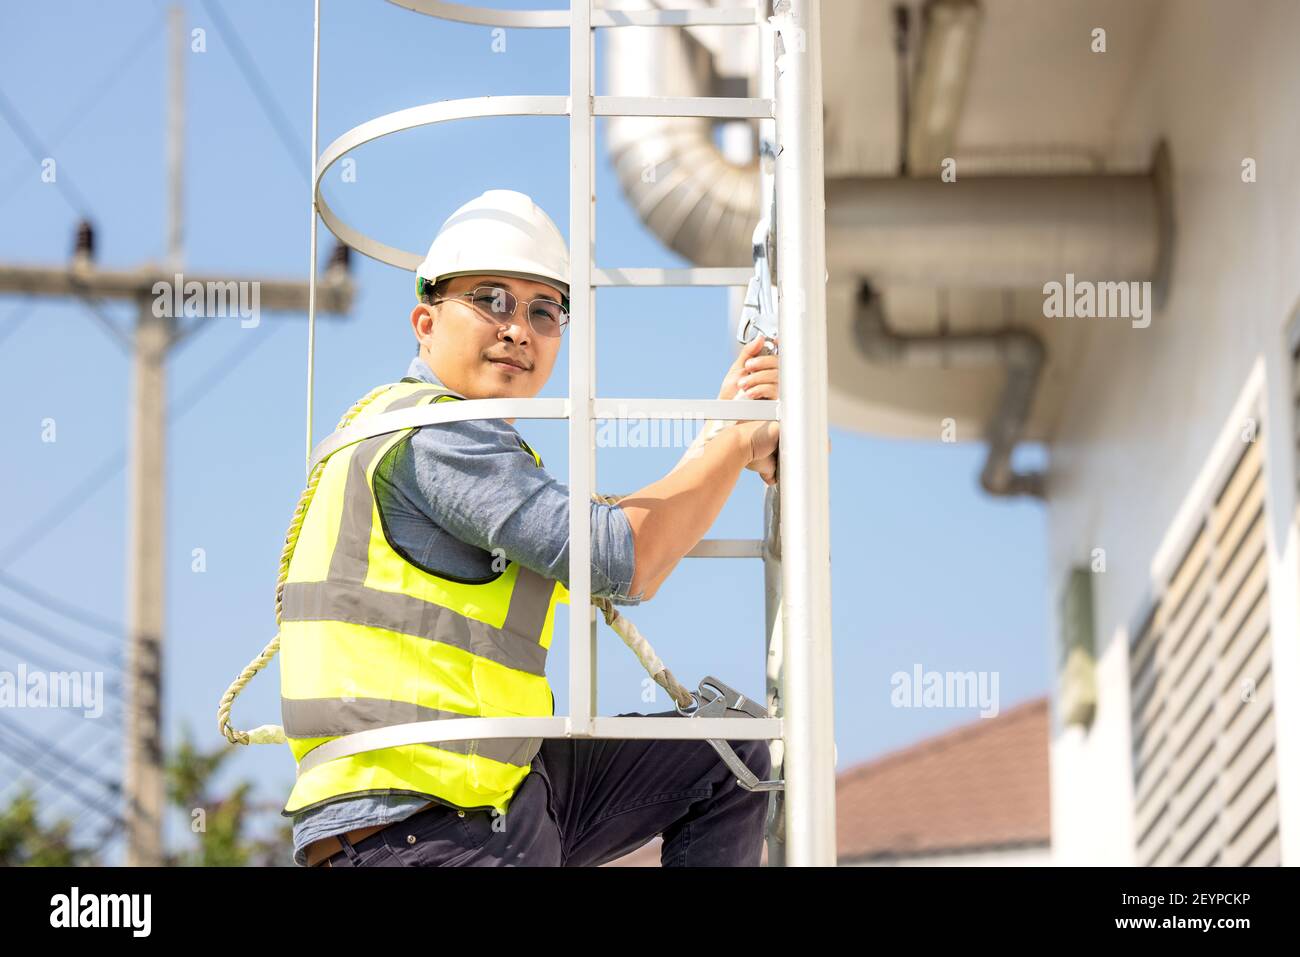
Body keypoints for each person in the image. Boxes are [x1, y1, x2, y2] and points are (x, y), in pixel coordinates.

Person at [283, 189, 781, 867]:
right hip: (418, 828)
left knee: (730, 753)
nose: (517, 327)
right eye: (490, 299)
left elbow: (617, 537)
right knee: (735, 753)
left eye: (543, 310)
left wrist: (719, 439)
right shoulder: (433, 435)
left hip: (498, 794)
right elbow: (626, 558)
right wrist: (731, 445)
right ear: (424, 322)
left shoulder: (475, 451)